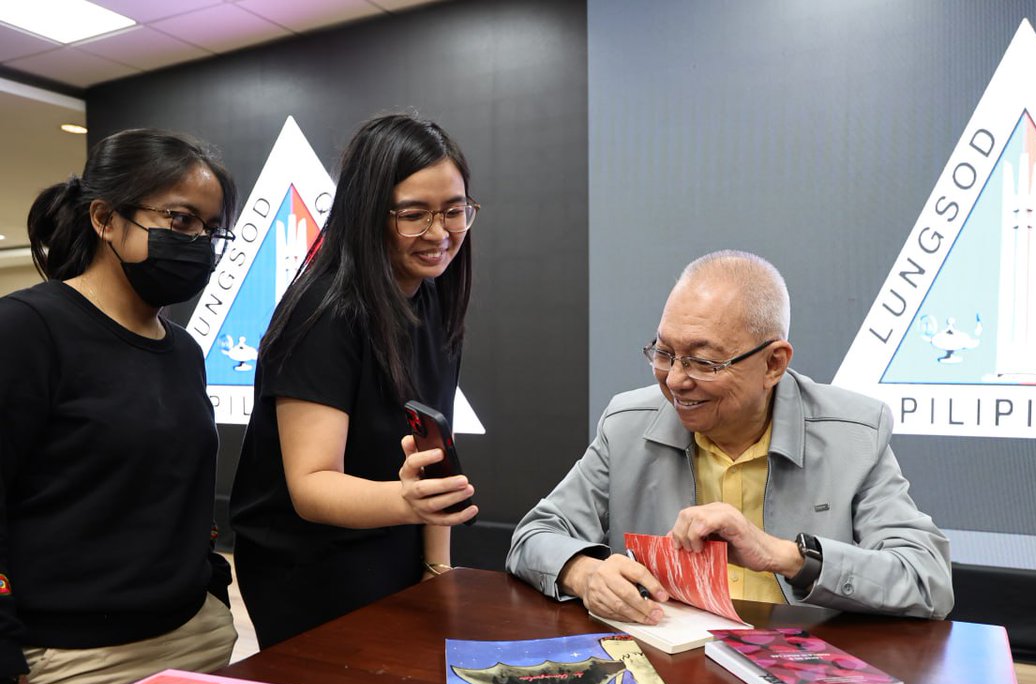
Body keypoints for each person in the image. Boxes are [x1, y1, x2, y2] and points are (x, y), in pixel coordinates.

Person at [507, 250, 953, 624]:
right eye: (664, 354)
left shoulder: (854, 433)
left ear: (774, 363)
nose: (676, 381)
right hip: (669, 665)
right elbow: (534, 536)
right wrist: (584, 574)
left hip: (800, 669)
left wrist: (786, 556)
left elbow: (926, 581)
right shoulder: (628, 423)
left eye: (704, 362)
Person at [0, 129, 240, 684]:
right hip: (74, 666)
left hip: (196, 639)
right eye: (180, 219)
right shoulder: (26, 330)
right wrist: (5, 683)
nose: (197, 244)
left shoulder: (183, 349)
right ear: (105, 218)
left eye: (210, 229)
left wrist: (209, 590)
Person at [230, 113, 481, 649]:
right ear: (367, 213)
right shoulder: (323, 316)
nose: (439, 234)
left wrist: (438, 571)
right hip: (310, 569)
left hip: (392, 537)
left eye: (455, 210)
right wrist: (411, 503)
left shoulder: (434, 299)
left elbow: (434, 453)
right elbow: (313, 485)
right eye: (414, 215)